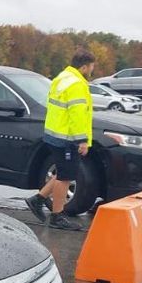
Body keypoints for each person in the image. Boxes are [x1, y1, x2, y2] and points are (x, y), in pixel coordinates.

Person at [26, 48, 96, 230]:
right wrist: (82, 140)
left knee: (62, 173)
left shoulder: (61, 78)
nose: (92, 70)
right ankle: (57, 216)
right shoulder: (77, 84)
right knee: (65, 177)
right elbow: (77, 114)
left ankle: (38, 199)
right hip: (67, 137)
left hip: (54, 134)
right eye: (91, 67)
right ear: (84, 67)